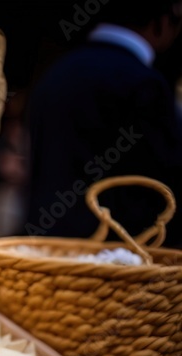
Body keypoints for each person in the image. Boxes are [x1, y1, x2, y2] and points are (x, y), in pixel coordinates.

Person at [28, 1, 182, 247]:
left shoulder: (54, 75)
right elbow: (163, 186)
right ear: (162, 22)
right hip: (118, 261)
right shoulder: (145, 84)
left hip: (46, 252)